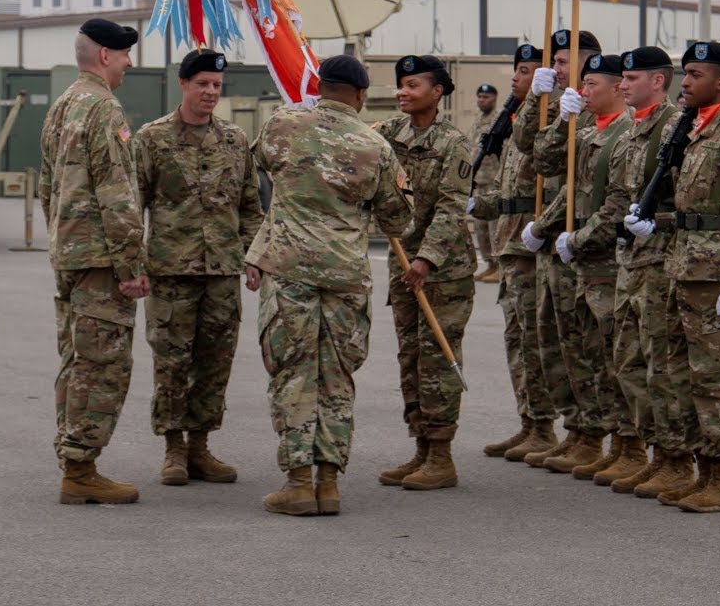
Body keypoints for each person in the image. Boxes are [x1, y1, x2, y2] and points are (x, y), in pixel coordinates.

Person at [246, 55, 412, 516]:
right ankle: (330, 484)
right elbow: (398, 218)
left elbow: (257, 163)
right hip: (345, 276)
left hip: (290, 272)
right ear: (360, 95)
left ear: (320, 87)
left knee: (294, 374)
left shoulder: (283, 124)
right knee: (336, 377)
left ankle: (298, 483)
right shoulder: (375, 146)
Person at [624, 41, 720, 512]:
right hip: (683, 268)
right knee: (680, 376)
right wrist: (656, 223)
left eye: (695, 74)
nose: (686, 82)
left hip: (717, 278)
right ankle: (692, 468)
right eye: (685, 73)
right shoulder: (694, 129)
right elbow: (696, 212)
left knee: (715, 380)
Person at [133, 49, 264, 487]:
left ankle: (200, 446)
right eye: (203, 84)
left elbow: (250, 205)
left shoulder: (235, 140)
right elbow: (134, 204)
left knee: (214, 362)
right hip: (171, 271)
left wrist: (254, 256)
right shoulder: (152, 139)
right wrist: (135, 264)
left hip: (222, 271)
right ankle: (173, 448)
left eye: (217, 86)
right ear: (184, 84)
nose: (210, 92)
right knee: (171, 361)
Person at [38, 18, 149, 505]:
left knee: (76, 359)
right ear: (105, 55)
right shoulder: (104, 108)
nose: (129, 63)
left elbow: (47, 186)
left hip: (70, 254)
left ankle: (73, 459)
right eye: (124, 55)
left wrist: (62, 243)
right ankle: (81, 469)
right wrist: (131, 266)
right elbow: (117, 194)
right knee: (103, 365)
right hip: (101, 260)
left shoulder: (62, 105)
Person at [585, 46, 691, 494]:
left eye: (632, 79)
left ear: (658, 81)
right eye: (623, 78)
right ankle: (651, 450)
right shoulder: (633, 130)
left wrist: (658, 222)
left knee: (662, 368)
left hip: (661, 263)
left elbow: (690, 201)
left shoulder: (676, 127)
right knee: (630, 363)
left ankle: (676, 460)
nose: (623, 84)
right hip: (631, 262)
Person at [375, 54, 477, 491]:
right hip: (403, 263)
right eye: (401, 84)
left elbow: (453, 209)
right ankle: (420, 447)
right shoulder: (387, 135)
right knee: (411, 358)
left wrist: (426, 260)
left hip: (442, 270)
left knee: (437, 357)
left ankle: (441, 455)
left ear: (437, 92)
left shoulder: (453, 144)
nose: (403, 91)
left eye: (413, 85)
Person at [531, 54, 634, 476]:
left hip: (608, 260)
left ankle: (627, 444)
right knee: (583, 353)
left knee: (616, 357)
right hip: (584, 262)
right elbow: (549, 166)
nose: (583, 91)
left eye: (592, 84)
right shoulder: (589, 131)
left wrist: (577, 239)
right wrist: (561, 121)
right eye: (583, 83)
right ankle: (592, 434)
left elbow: (617, 202)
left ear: (616, 88)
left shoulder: (627, 132)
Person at [515, 28, 602, 468]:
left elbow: (578, 182)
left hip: (578, 236)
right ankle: (575, 427)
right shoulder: (563, 103)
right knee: (555, 341)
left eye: (564, 61)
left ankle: (593, 433)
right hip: (554, 238)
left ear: (588, 61)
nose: (557, 68)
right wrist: (538, 99)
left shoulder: (600, 108)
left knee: (582, 343)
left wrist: (544, 223)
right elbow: (532, 151)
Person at [468, 45, 559, 459]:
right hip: (509, 242)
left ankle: (545, 425)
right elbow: (510, 193)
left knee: (536, 340)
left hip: (530, 243)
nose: (517, 78)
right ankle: (530, 422)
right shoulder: (516, 117)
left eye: (526, 71)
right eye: (517, 71)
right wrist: (480, 204)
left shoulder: (547, 116)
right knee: (516, 339)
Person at [471, 84, 503, 283]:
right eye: (480, 96)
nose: (482, 100)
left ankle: (500, 266)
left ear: (495, 98)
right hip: (478, 182)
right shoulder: (477, 120)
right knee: (480, 228)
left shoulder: (499, 120)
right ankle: (490, 264)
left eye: (486, 97)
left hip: (493, 181)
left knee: (494, 227)